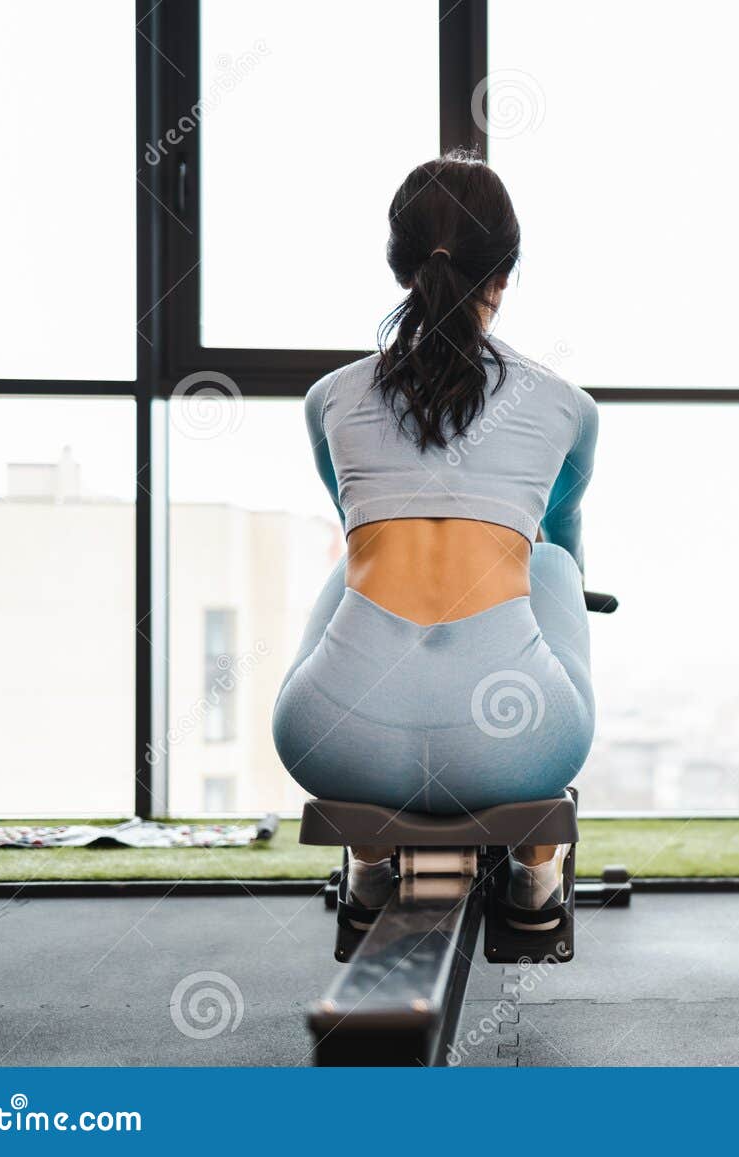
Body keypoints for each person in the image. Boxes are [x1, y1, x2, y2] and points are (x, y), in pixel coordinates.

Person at [271, 152, 597, 932]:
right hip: (520, 740)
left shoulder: (329, 399)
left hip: (332, 737)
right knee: (549, 562)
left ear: (400, 266)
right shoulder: (567, 407)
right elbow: (565, 548)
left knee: (355, 564)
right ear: (507, 272)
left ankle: (371, 863)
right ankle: (534, 871)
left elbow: (360, 535)